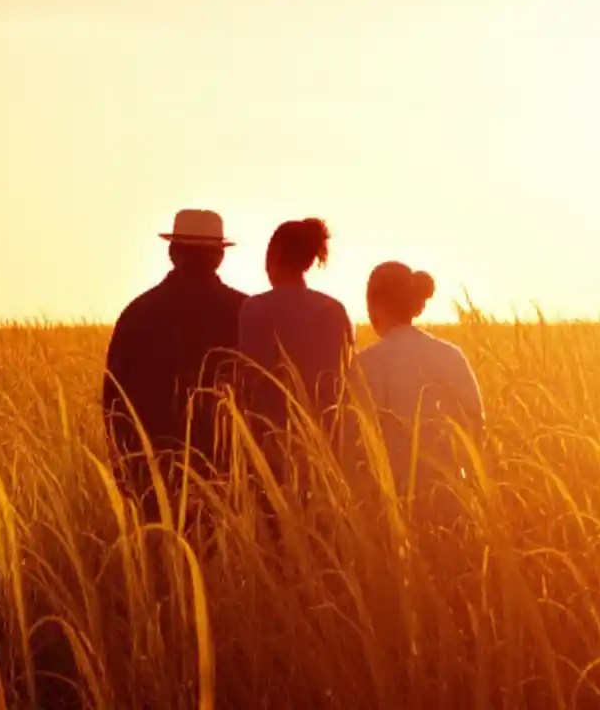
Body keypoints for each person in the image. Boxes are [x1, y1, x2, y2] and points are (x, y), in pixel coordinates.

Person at [102, 209, 248, 510]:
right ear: (220, 256)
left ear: (172, 252)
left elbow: (114, 400)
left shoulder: (138, 312)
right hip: (227, 475)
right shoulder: (244, 312)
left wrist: (128, 471)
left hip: (153, 473)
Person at [348, 261, 484, 498]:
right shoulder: (452, 355)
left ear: (374, 305)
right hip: (452, 498)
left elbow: (351, 443)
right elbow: (476, 427)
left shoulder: (365, 364)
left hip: (389, 501)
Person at [238, 218, 354, 431]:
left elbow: (251, 381)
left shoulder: (257, 308)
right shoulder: (334, 309)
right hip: (328, 432)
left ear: (273, 257)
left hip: (272, 434)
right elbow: (347, 379)